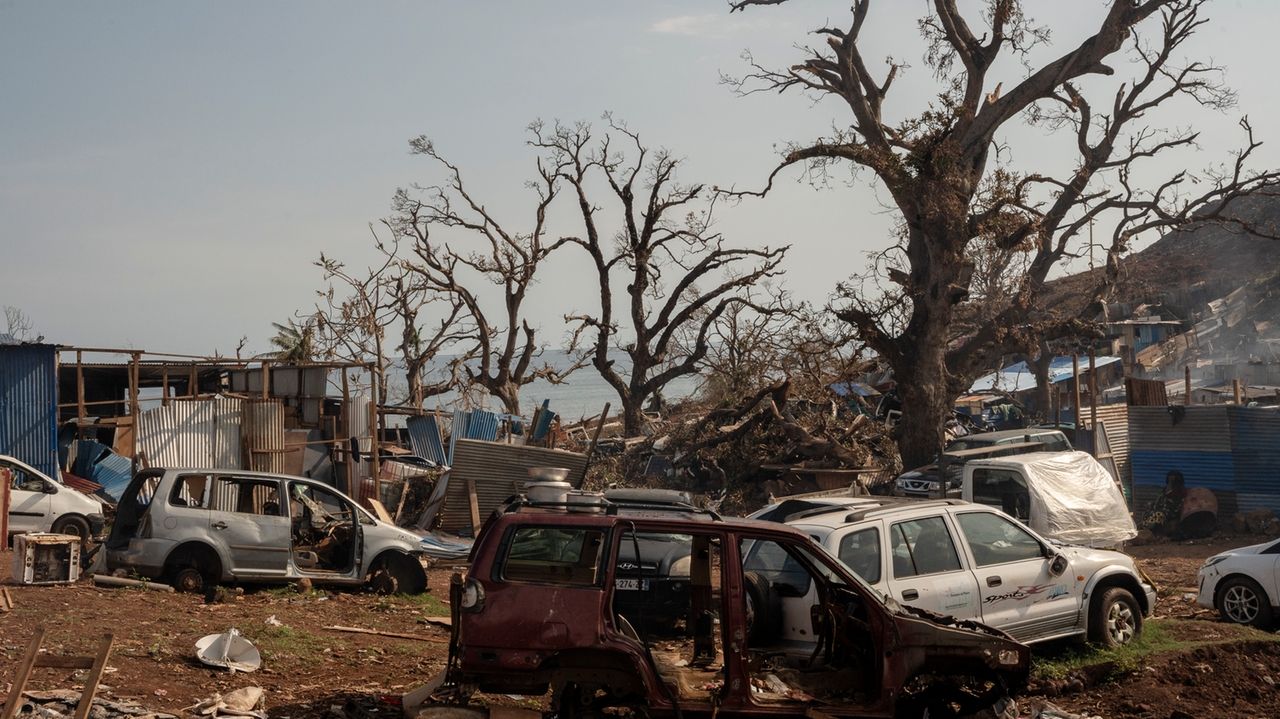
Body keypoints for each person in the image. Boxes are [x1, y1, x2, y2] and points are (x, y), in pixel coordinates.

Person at [1142, 470, 1186, 534]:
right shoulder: (1166, 489)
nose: (1171, 481)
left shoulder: (1180, 491)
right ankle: (1147, 528)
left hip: (1170, 512)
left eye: (1173, 480)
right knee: (1148, 513)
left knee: (1158, 515)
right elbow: (1159, 500)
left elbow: (1176, 506)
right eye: (1170, 479)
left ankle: (1154, 531)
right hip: (1160, 509)